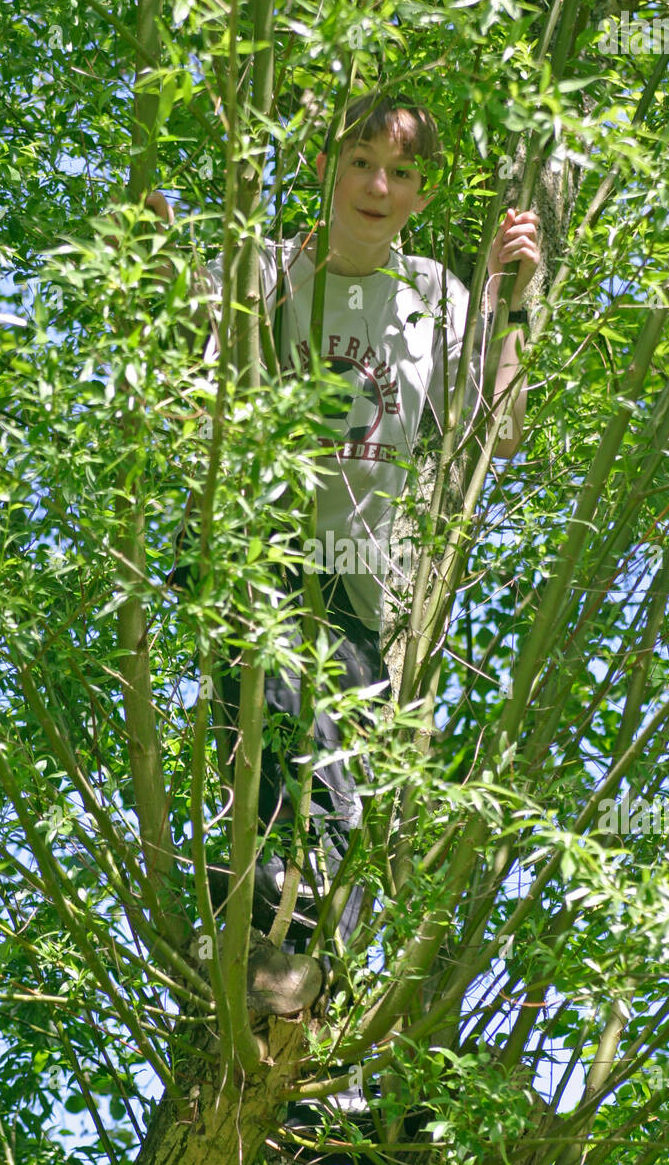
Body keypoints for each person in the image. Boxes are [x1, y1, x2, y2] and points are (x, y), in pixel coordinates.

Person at [146, 93, 539, 1007]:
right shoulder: (267, 270)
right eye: (362, 162)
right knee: (271, 711)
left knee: (339, 756)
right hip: (256, 542)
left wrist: (508, 304)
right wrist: (156, 269)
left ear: (420, 195)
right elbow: (185, 359)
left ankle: (300, 961)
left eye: (400, 173)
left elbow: (499, 426)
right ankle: (270, 913)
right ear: (329, 168)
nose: (377, 185)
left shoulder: (435, 295)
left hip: (361, 567)